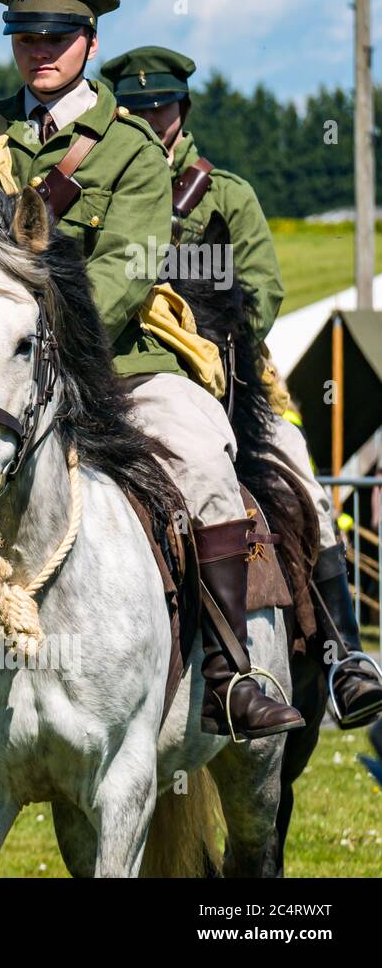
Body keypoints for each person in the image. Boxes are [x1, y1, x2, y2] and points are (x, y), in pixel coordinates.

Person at [0, 0, 304, 752]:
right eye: (25, 35)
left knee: (202, 465)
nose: (40, 50)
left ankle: (230, 674)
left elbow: (128, 270)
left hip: (125, 369)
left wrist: (43, 340)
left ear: (90, 43)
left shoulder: (129, 150)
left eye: (57, 35)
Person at [101, 45, 382, 728]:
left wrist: (208, 323)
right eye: (133, 109)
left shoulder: (223, 194)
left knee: (302, 477)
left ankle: (345, 655)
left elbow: (265, 289)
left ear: (181, 110)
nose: (147, 118)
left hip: (228, 370)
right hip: (120, 367)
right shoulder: (98, 190)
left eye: (158, 106)